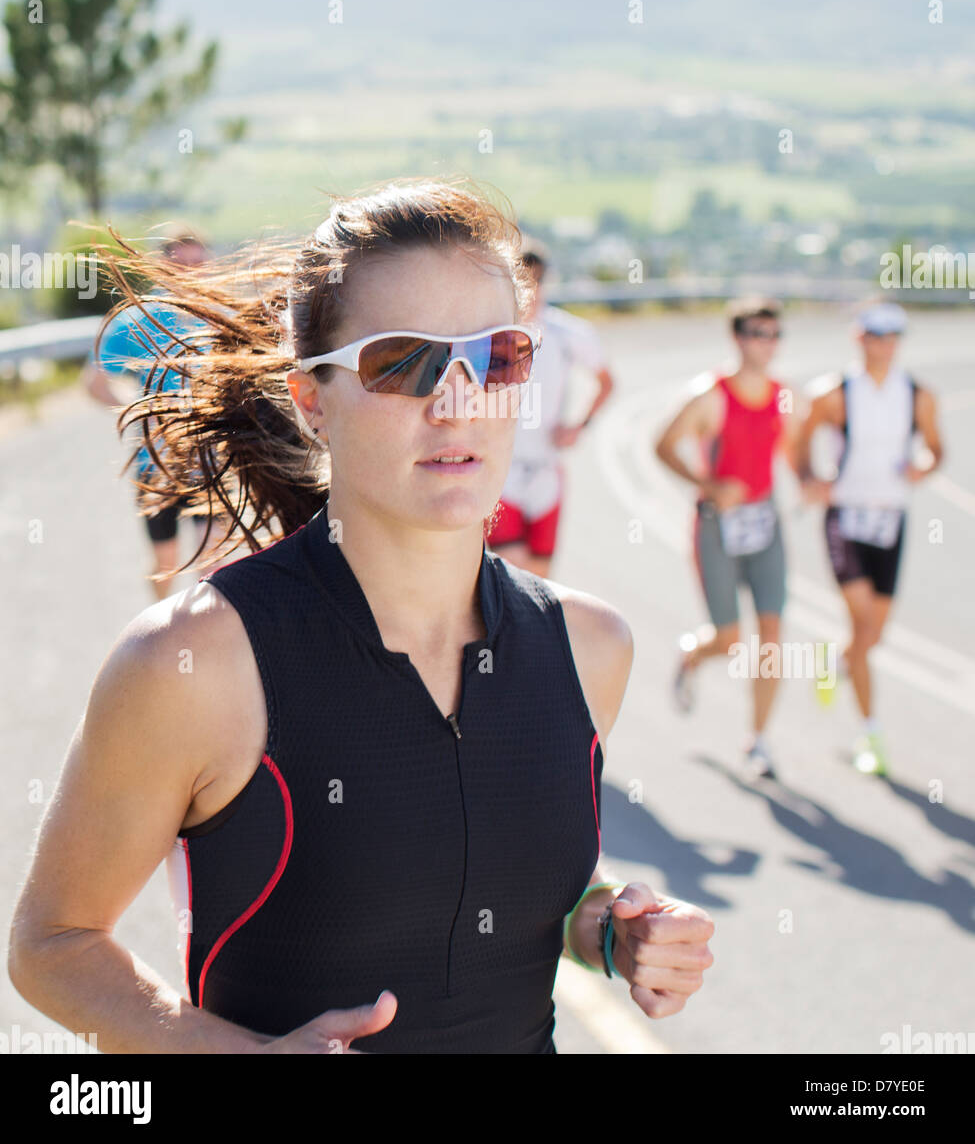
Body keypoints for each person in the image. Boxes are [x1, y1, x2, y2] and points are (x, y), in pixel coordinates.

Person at [10, 180, 714, 1055]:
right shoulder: (192, 661)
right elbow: (52, 946)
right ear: (312, 399)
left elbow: (513, 879)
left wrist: (611, 928)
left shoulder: (588, 645)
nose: (456, 401)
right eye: (404, 362)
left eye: (495, 356)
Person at [654, 298, 801, 779]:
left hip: (765, 524)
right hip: (717, 526)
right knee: (731, 639)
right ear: (738, 338)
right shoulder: (710, 395)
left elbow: (789, 451)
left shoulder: (783, 396)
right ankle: (694, 654)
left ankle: (758, 741)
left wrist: (813, 479)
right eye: (759, 333)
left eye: (775, 334)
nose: (768, 343)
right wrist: (709, 485)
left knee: (772, 635)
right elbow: (662, 443)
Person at [795, 301, 944, 777]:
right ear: (859, 338)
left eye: (893, 337)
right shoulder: (834, 393)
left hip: (891, 520)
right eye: (876, 336)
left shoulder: (918, 395)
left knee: (874, 635)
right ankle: (870, 732)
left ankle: (836, 664)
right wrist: (808, 477)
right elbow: (797, 438)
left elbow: (936, 448)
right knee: (862, 625)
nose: (885, 345)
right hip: (846, 519)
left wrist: (922, 465)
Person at [82, 224, 214, 599]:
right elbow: (94, 381)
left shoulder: (218, 317)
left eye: (198, 263)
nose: (190, 272)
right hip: (156, 464)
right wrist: (136, 409)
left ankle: (204, 645)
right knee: (166, 565)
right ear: (162, 266)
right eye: (181, 264)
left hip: (210, 460)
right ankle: (158, 637)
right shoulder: (140, 319)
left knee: (212, 561)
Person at [486, 241, 614, 577]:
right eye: (523, 279)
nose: (532, 288)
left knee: (541, 580)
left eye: (538, 279)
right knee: (512, 571)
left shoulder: (566, 332)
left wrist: (579, 426)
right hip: (503, 470)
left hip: (547, 469)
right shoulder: (490, 335)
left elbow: (607, 381)